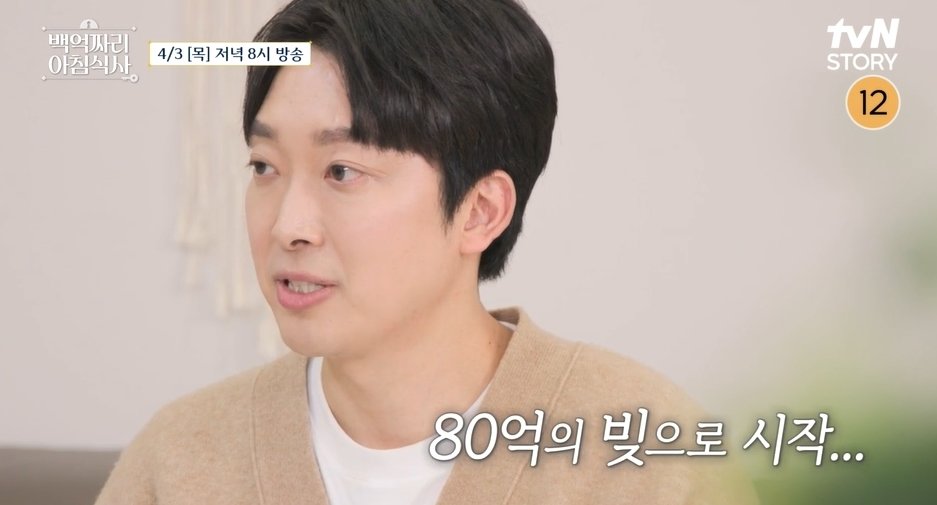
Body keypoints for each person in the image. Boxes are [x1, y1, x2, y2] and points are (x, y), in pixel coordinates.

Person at [95, 0, 759, 503]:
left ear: (480, 211)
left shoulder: (651, 459)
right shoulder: (177, 462)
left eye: (341, 171)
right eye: (264, 166)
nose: (287, 226)